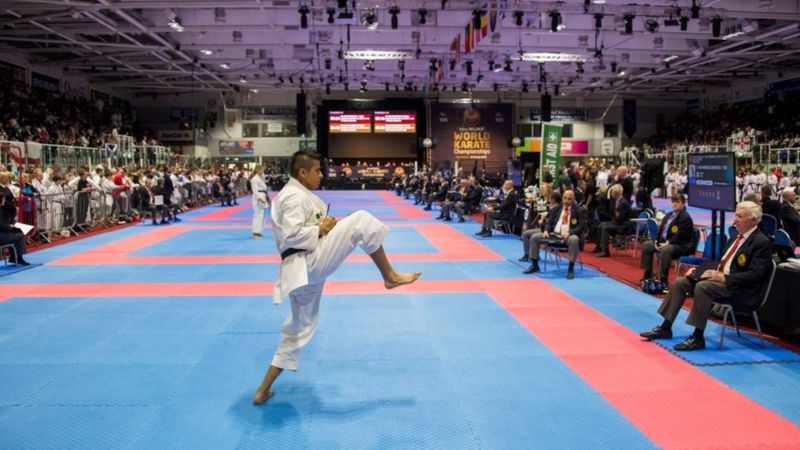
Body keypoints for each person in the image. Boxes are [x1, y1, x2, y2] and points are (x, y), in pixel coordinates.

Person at [252, 151, 421, 405]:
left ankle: (263, 390)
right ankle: (389, 275)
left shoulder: (294, 194)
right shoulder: (294, 197)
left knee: (298, 330)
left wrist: (324, 228)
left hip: (300, 273)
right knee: (361, 221)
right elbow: (291, 235)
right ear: (302, 173)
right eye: (318, 170)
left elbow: (299, 232)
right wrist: (320, 229)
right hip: (307, 261)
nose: (322, 175)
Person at [639, 201, 773, 351]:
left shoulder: (761, 242)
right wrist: (698, 272)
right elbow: (720, 262)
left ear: (753, 220)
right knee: (680, 282)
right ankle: (666, 327)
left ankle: (697, 336)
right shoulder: (735, 237)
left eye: (740, 216)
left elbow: (756, 275)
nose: (735, 220)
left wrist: (725, 278)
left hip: (740, 288)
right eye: (735, 215)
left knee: (704, 287)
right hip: (721, 281)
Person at [521, 190, 586, 280]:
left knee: (574, 239)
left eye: (569, 199)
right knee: (534, 237)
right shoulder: (557, 208)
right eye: (565, 198)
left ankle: (570, 269)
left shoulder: (579, 210)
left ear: (573, 199)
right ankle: (535, 265)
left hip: (568, 235)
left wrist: (570, 232)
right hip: (554, 233)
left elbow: (581, 226)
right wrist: (546, 231)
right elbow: (549, 222)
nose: (566, 201)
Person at [640, 193, 694, 285]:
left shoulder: (685, 217)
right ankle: (648, 273)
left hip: (681, 245)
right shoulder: (669, 215)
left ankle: (663, 279)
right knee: (647, 245)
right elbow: (661, 229)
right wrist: (657, 240)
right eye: (673, 202)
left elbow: (681, 235)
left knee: (666, 250)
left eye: (677, 202)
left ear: (683, 203)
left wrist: (668, 242)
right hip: (665, 242)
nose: (674, 204)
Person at [595, 184, 631, 257]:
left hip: (623, 226)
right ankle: (599, 247)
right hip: (617, 223)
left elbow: (620, 218)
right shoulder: (618, 201)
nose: (611, 194)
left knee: (605, 228)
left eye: (612, 192)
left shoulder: (623, 203)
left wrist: (612, 222)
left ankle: (605, 251)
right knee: (601, 225)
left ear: (616, 193)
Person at [0, 193, 29, 265]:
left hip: (2, 233)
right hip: (1, 236)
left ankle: (13, 257)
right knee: (20, 235)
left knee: (16, 234)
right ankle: (19, 258)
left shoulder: (1, 209)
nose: (4, 201)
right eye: (3, 199)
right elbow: (1, 226)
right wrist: (10, 226)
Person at [250, 165, 270, 239]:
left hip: (263, 195)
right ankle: (255, 233)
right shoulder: (254, 179)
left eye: (263, 170)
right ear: (257, 170)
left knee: (261, 216)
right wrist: (260, 198)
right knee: (257, 216)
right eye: (261, 170)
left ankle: (259, 232)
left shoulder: (260, 177)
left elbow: (264, 187)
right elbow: (255, 191)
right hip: (258, 198)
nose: (262, 171)